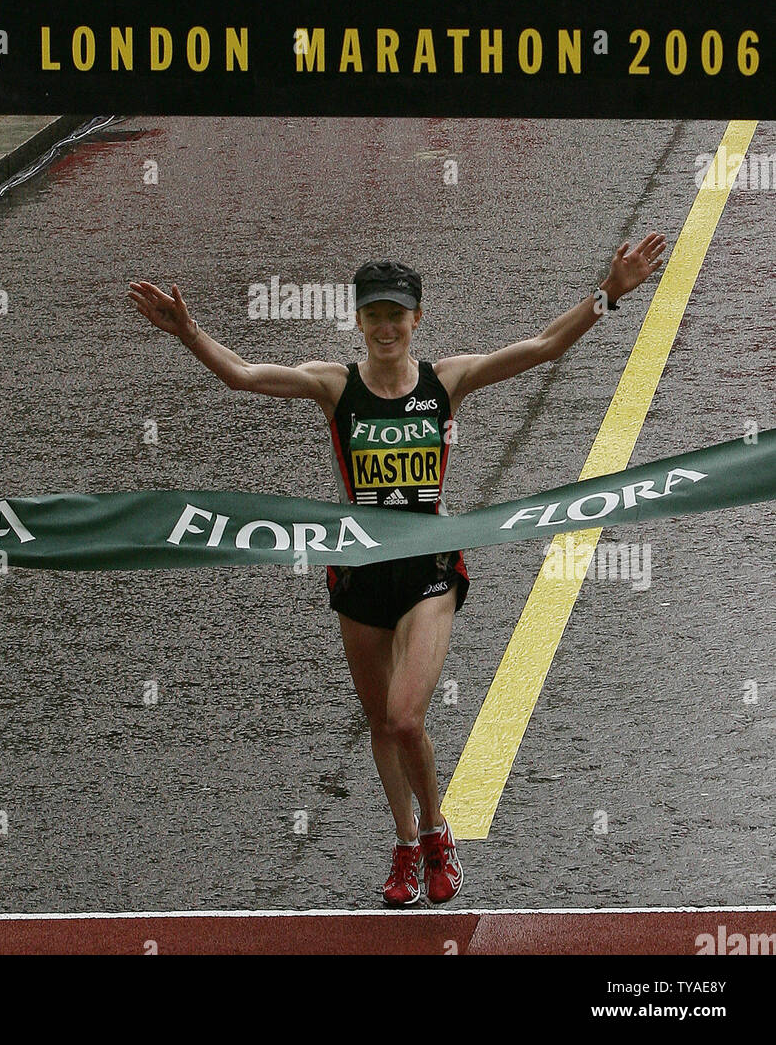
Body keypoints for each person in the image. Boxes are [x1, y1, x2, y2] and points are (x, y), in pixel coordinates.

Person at [128, 232, 666, 907]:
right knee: (381, 722)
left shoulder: (448, 380)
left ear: (417, 318)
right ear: (358, 319)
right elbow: (242, 374)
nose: (386, 326)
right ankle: (406, 846)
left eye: (397, 314)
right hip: (357, 570)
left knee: (407, 717)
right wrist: (189, 332)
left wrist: (608, 294)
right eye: (374, 314)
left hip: (429, 568)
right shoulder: (334, 385)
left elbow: (542, 347)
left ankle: (439, 834)